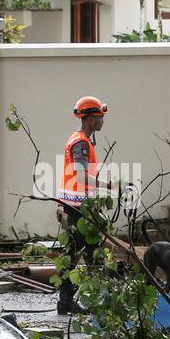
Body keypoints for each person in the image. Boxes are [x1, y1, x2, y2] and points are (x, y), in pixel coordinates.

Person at [56, 96, 109, 314]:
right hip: (78, 209)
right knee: (88, 254)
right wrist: (109, 185)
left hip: (77, 206)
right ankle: (91, 302)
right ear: (88, 119)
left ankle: (67, 302)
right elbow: (80, 176)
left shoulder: (80, 139)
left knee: (78, 254)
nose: (102, 121)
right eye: (99, 117)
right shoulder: (81, 143)